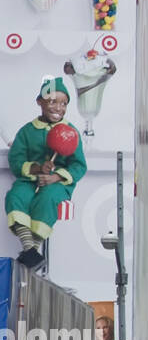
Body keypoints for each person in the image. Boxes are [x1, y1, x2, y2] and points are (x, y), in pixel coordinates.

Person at [5, 78, 86, 268]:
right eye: (52, 101)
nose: (58, 107)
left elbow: (79, 165)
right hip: (29, 180)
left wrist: (56, 176)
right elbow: (16, 160)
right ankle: (30, 250)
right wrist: (37, 169)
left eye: (63, 103)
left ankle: (33, 250)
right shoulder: (27, 131)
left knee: (48, 198)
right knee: (16, 196)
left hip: (57, 184)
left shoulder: (71, 132)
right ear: (39, 102)